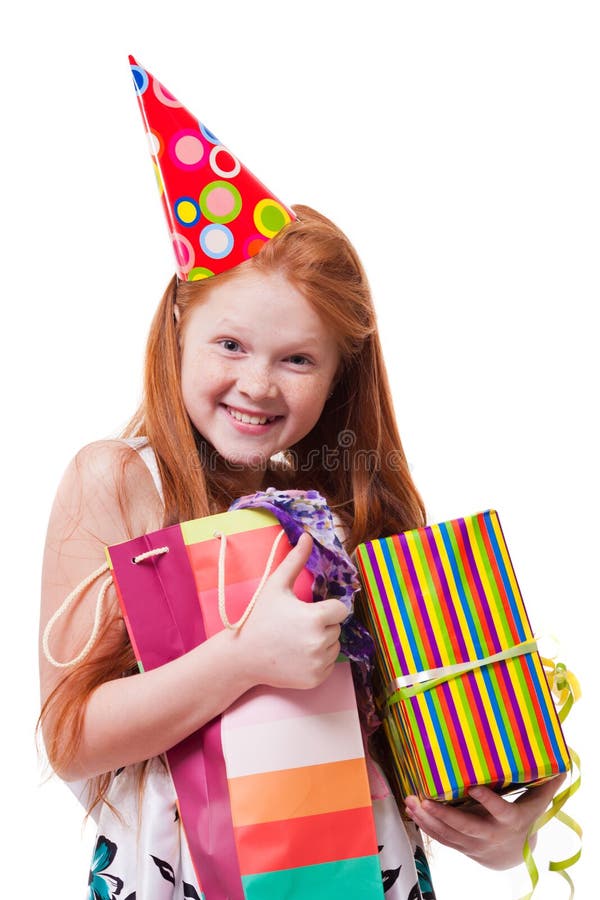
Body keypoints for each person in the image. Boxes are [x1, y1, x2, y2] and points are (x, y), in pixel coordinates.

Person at [39, 59, 563, 900]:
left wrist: (504, 832)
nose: (258, 384)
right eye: (231, 345)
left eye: (297, 359)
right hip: (182, 872)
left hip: (364, 871)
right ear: (178, 326)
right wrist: (246, 659)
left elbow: (413, 750)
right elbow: (71, 737)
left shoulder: (353, 508)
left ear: (337, 373)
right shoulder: (118, 480)